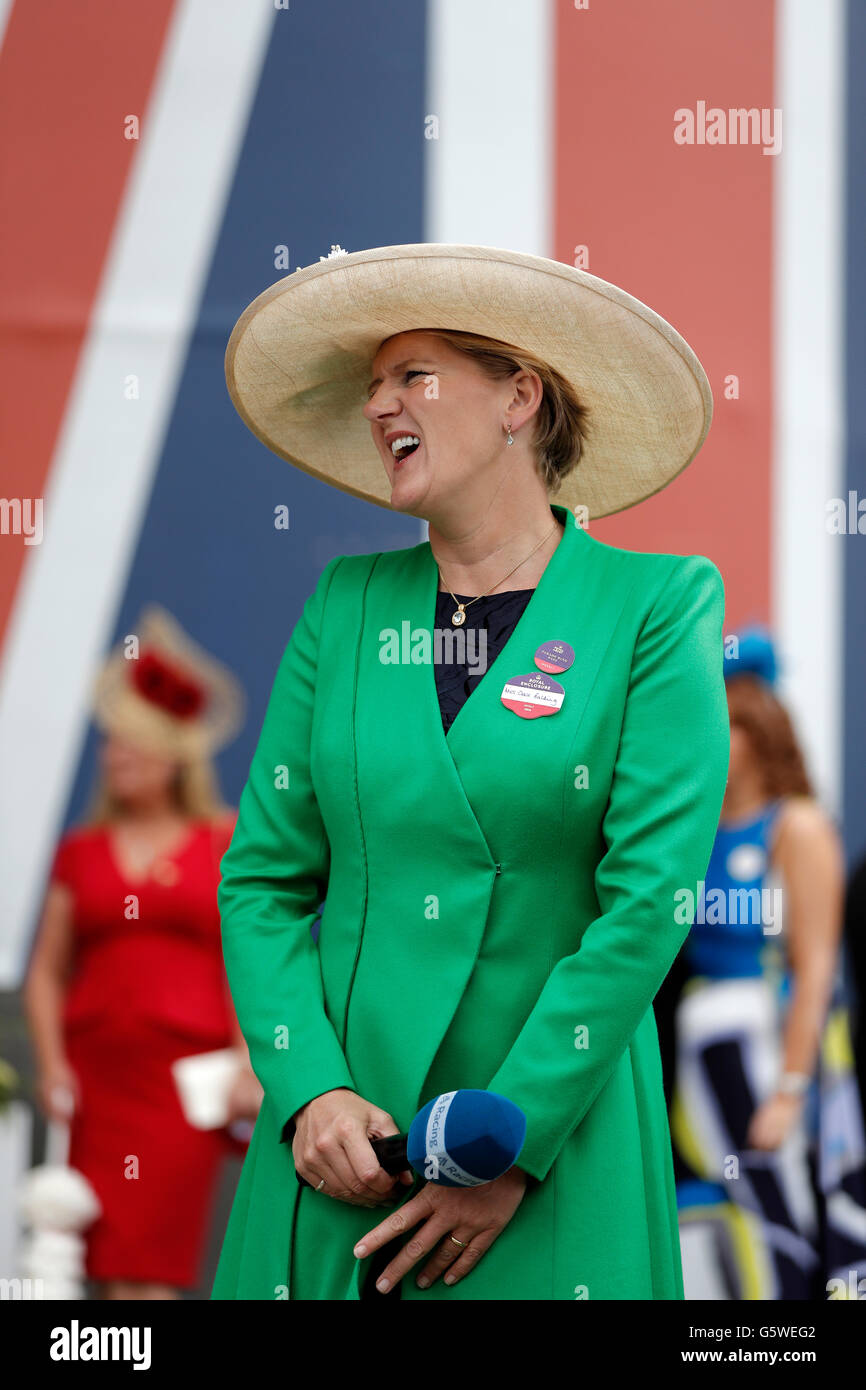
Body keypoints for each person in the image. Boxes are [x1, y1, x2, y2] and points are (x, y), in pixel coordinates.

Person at [211, 242, 730, 1300]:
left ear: (517, 398)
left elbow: (646, 904)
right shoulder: (342, 605)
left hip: (551, 1157)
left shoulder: (657, 604)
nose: (379, 405)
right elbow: (261, 882)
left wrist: (511, 1139)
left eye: (412, 374)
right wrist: (309, 1089)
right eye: (370, 386)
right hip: (339, 1162)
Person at [24, 604, 260, 1298]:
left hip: (180, 1082)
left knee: (153, 1261)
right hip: (95, 1079)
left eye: (133, 743)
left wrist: (250, 1056)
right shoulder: (81, 852)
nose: (116, 755)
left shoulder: (223, 840)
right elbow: (46, 971)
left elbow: (248, 954)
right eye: (111, 742)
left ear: (173, 756)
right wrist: (52, 1065)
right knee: (91, 1259)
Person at [672, 627, 866, 1299]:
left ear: (762, 731)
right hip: (702, 1059)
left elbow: (816, 969)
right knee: (725, 1215)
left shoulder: (798, 827)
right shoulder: (687, 837)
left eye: (729, 723)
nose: (713, 737)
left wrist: (789, 1089)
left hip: (768, 1043)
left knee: (787, 1215)